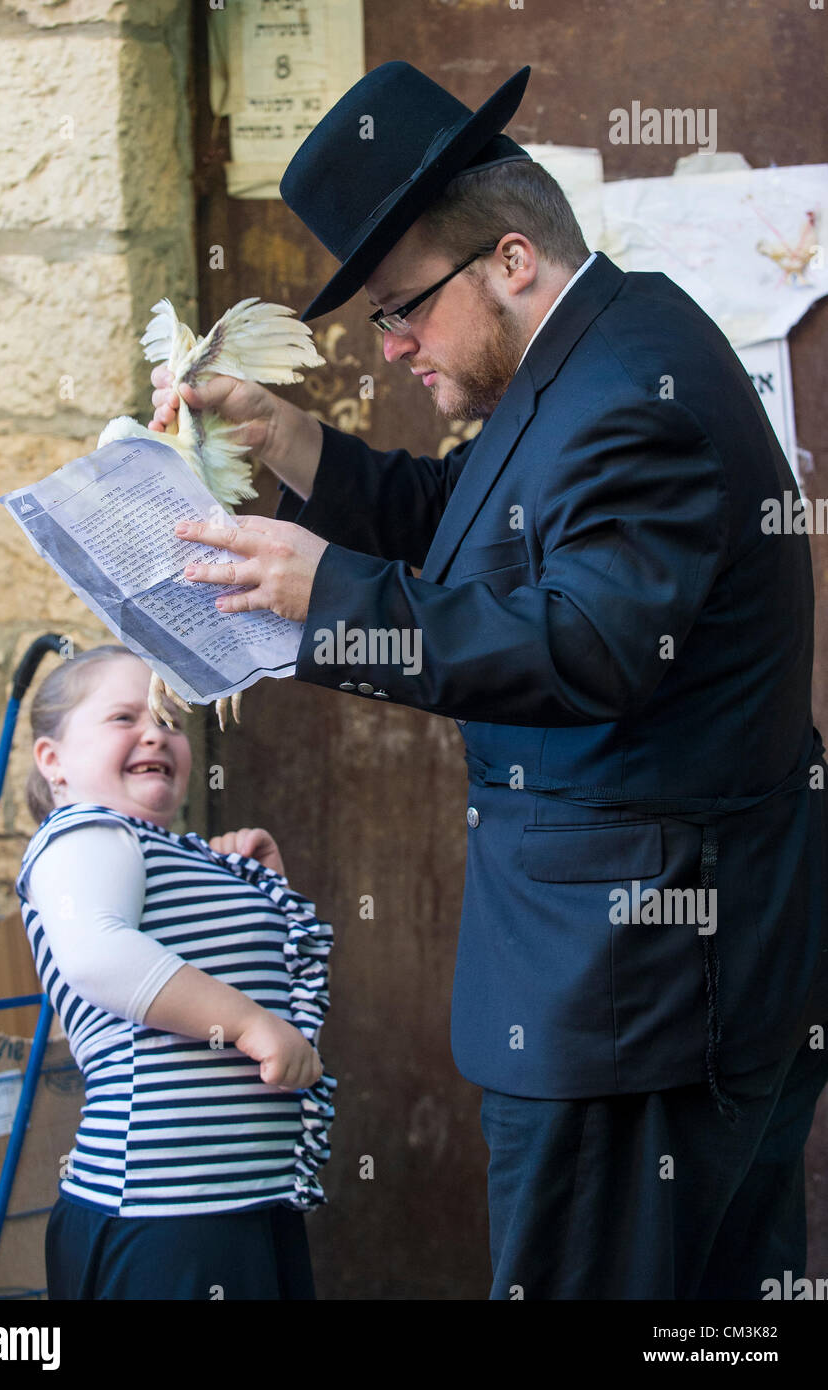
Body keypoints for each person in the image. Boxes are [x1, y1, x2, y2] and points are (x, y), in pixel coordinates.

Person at [150, 61, 828, 1300]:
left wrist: (329, 597)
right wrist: (290, 442)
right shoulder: (601, 349)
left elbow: (588, 644)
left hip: (643, 1001)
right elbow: (475, 526)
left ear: (510, 261)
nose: (392, 345)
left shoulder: (632, 399)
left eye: (402, 309)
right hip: (647, 986)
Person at [16, 643, 334, 1300]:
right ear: (54, 761)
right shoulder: (84, 832)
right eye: (123, 717)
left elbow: (238, 966)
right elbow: (98, 952)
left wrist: (257, 884)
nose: (155, 733)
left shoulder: (170, 851)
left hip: (245, 1201)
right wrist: (250, 1025)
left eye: (168, 720)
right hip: (163, 1211)